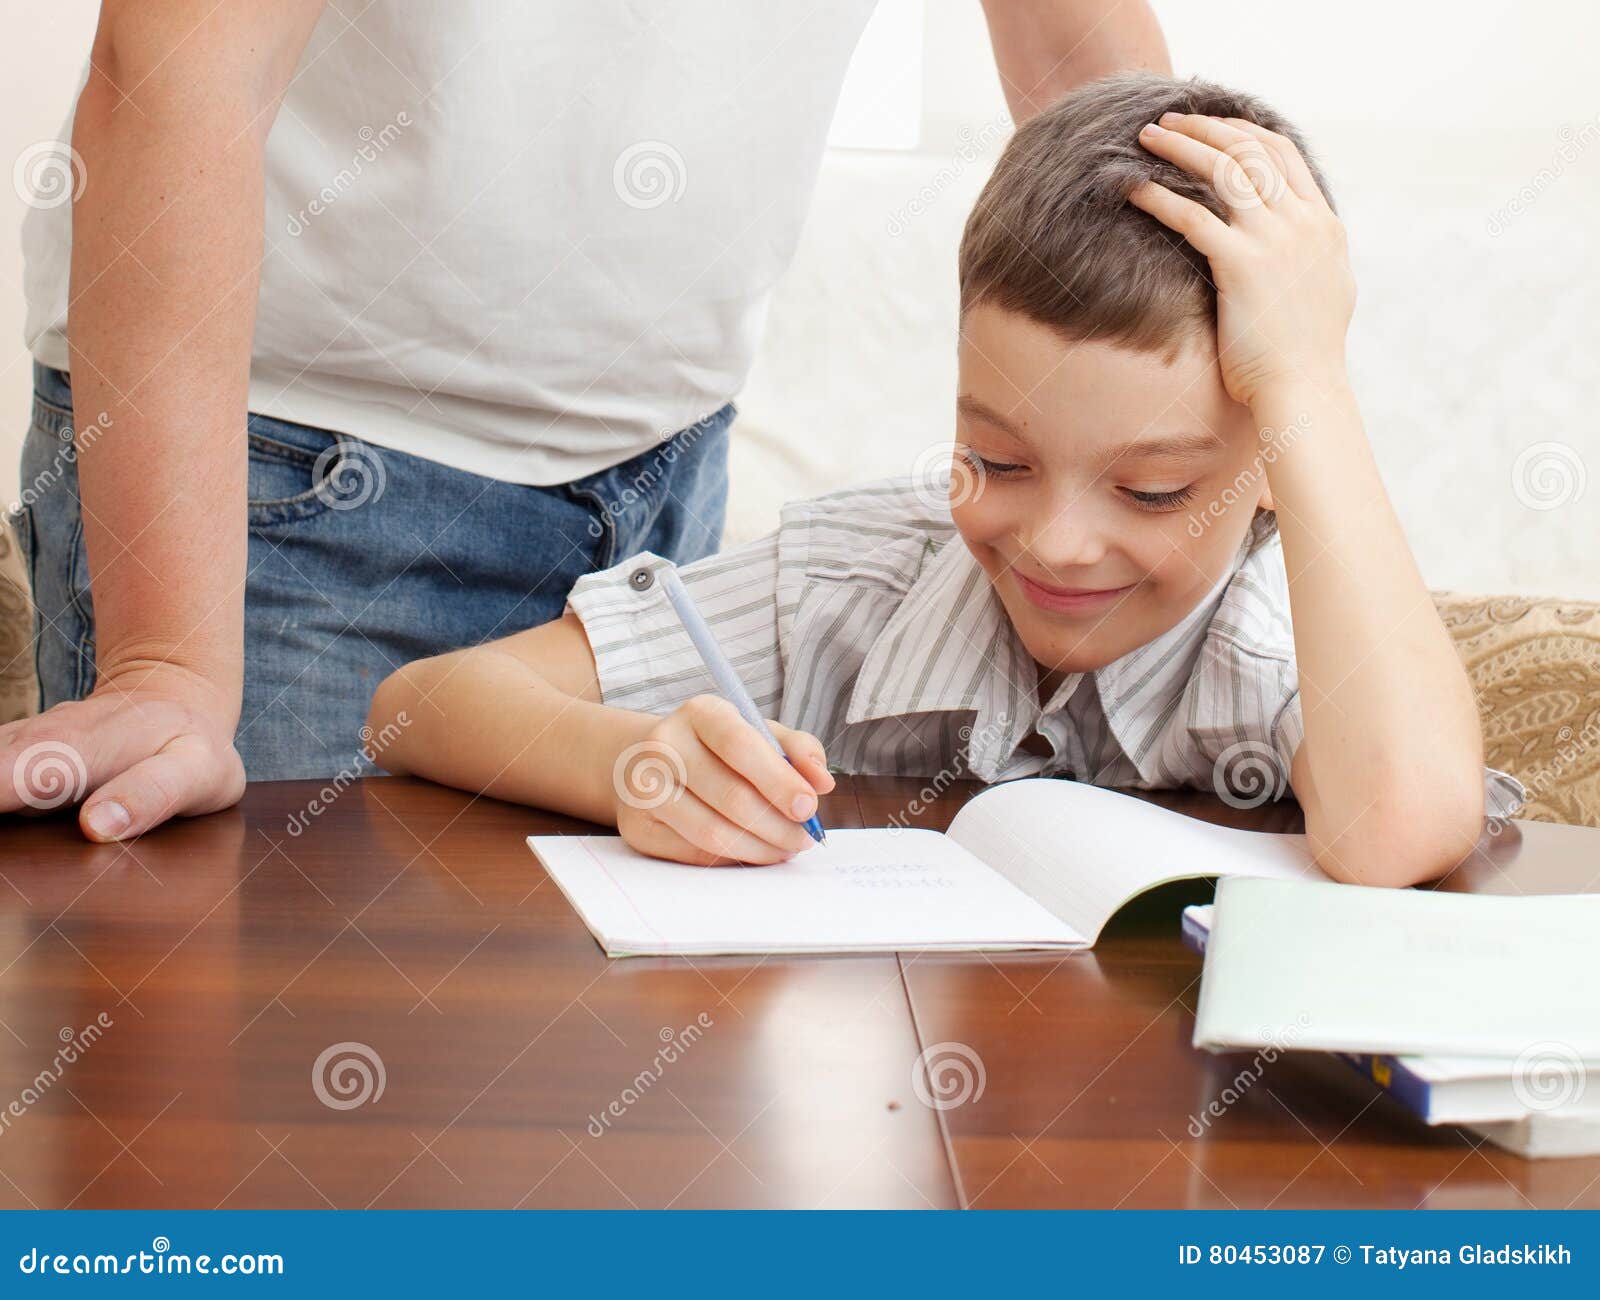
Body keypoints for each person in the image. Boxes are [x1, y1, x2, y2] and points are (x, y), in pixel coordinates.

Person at [3, 1, 1170, 842]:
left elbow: (1083, 69)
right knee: (261, 1116)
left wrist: (1236, 439)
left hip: (668, 470)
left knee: (597, 1094)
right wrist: (171, 670)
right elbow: (179, 64)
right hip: (287, 478)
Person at [365, 72, 1526, 888]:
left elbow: (1398, 825)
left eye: (1153, 492)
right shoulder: (844, 583)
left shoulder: (1292, 654)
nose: (1058, 543)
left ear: (1277, 464)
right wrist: (632, 763)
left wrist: (1307, 385)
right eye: (997, 462)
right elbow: (416, 707)